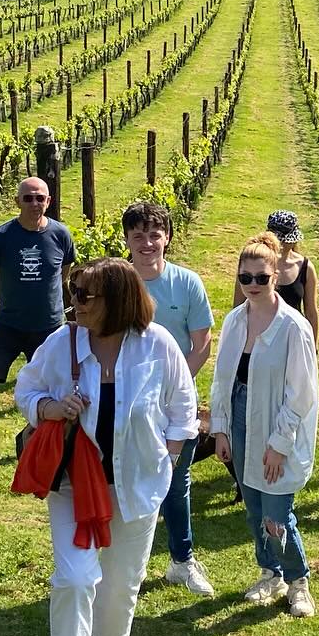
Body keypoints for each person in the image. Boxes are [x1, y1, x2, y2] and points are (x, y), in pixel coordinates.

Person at [13, 257, 197, 636]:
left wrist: (167, 460)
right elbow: (26, 388)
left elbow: (183, 410)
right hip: (75, 486)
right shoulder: (63, 342)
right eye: (74, 290)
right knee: (75, 579)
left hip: (136, 489)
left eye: (86, 294)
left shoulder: (157, 345)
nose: (76, 301)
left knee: (121, 585)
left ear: (117, 299)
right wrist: (50, 407)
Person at [212, 233, 319, 616]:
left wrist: (279, 442)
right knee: (253, 507)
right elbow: (223, 379)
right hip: (240, 415)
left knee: (276, 512)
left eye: (261, 277)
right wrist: (221, 428)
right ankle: (269, 572)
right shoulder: (233, 321)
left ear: (276, 276)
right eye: (246, 278)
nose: (253, 285)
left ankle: (298, 581)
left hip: (276, 421)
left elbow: (301, 394)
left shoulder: (293, 328)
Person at [122, 201, 215, 597]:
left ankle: (182, 561)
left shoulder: (187, 282)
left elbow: (203, 343)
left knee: (177, 485)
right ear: (126, 240)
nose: (147, 243)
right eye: (138, 236)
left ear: (168, 238)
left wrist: (174, 389)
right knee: (126, 483)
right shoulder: (117, 282)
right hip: (125, 404)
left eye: (154, 235)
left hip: (177, 404)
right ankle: (128, 565)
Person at [0, 177, 77, 472]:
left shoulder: (61, 234)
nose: (35, 203)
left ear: (49, 202)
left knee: (52, 390)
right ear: (17, 202)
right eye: (28, 198)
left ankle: (32, 436)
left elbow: (63, 273)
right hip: (8, 325)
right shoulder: (1, 236)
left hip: (50, 328)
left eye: (40, 198)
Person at [233, 211, 319, 342]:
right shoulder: (253, 264)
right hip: (256, 335)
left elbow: (311, 313)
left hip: (292, 336)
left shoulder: (306, 267)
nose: (282, 244)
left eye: (286, 240)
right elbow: (238, 307)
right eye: (279, 240)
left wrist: (313, 347)